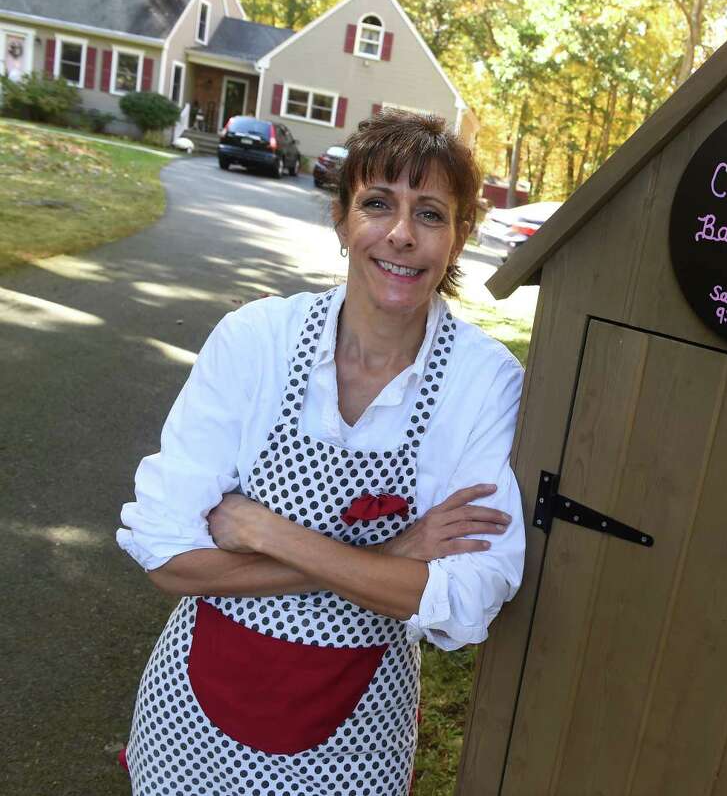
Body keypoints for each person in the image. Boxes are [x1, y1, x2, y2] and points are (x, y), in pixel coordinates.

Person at [116, 110, 525, 794]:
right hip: (195, 717)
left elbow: (466, 600)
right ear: (341, 221)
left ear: (457, 239)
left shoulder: (481, 382)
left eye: (429, 212)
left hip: (355, 731)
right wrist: (392, 559)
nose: (400, 233)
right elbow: (168, 556)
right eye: (376, 203)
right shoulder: (257, 341)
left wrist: (262, 529)